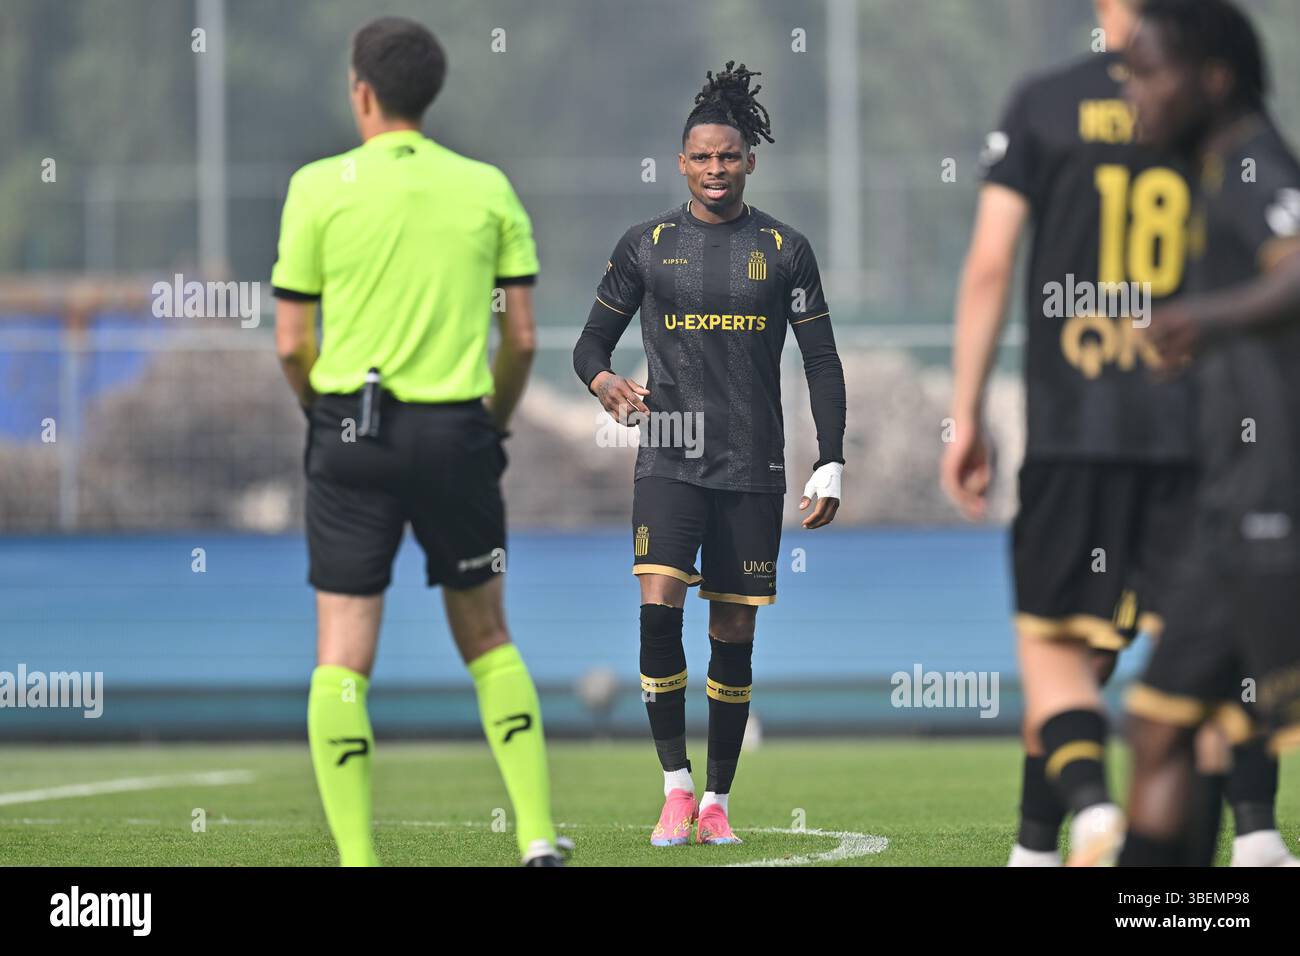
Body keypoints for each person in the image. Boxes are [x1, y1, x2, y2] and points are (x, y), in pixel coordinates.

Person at [272, 16, 563, 867]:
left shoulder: (317, 187)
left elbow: (292, 342)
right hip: (456, 433)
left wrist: (325, 412)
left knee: (343, 654)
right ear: (428, 95)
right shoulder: (488, 188)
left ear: (361, 90)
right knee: (488, 638)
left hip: (351, 429)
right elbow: (523, 339)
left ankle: (360, 860)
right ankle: (539, 836)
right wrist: (493, 423)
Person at [945, 0, 1217, 866]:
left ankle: (1091, 812)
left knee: (1055, 653)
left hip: (1072, 429)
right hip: (1189, 431)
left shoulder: (1045, 101)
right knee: (1199, 675)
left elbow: (991, 264)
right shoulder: (1209, 99)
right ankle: (1224, 859)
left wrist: (970, 410)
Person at [573, 62, 846, 846]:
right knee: (658, 608)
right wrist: (602, 382)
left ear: (749, 160)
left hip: (754, 466)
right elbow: (592, 341)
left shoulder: (785, 250)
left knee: (732, 634)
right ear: (681, 162)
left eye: (729, 156)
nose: (716, 169)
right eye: (702, 157)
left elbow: (821, 362)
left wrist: (831, 457)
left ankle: (718, 799)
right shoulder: (647, 245)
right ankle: (674, 786)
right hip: (667, 452)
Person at [1121, 0, 1300, 867]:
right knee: (1162, 729)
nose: (1135, 94)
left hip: (1270, 508)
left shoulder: (1258, 163)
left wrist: (1198, 317)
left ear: (1213, 78)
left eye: (1151, 73)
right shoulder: (1214, 173)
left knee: (1179, 728)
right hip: (1230, 505)